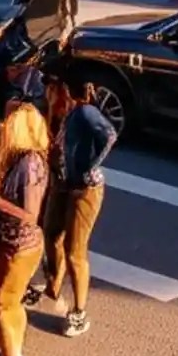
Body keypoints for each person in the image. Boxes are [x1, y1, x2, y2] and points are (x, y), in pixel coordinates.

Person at [40, 69, 117, 337]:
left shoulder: (84, 112)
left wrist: (90, 166)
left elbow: (109, 135)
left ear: (63, 88)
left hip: (85, 188)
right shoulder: (60, 112)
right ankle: (53, 283)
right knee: (51, 233)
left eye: (51, 85)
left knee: (75, 252)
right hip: (62, 183)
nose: (46, 91)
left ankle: (78, 312)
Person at [0, 103, 51, 356]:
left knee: (0, 303)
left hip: (18, 245)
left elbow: (27, 213)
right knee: (13, 302)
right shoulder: (36, 159)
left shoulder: (26, 164)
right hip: (30, 244)